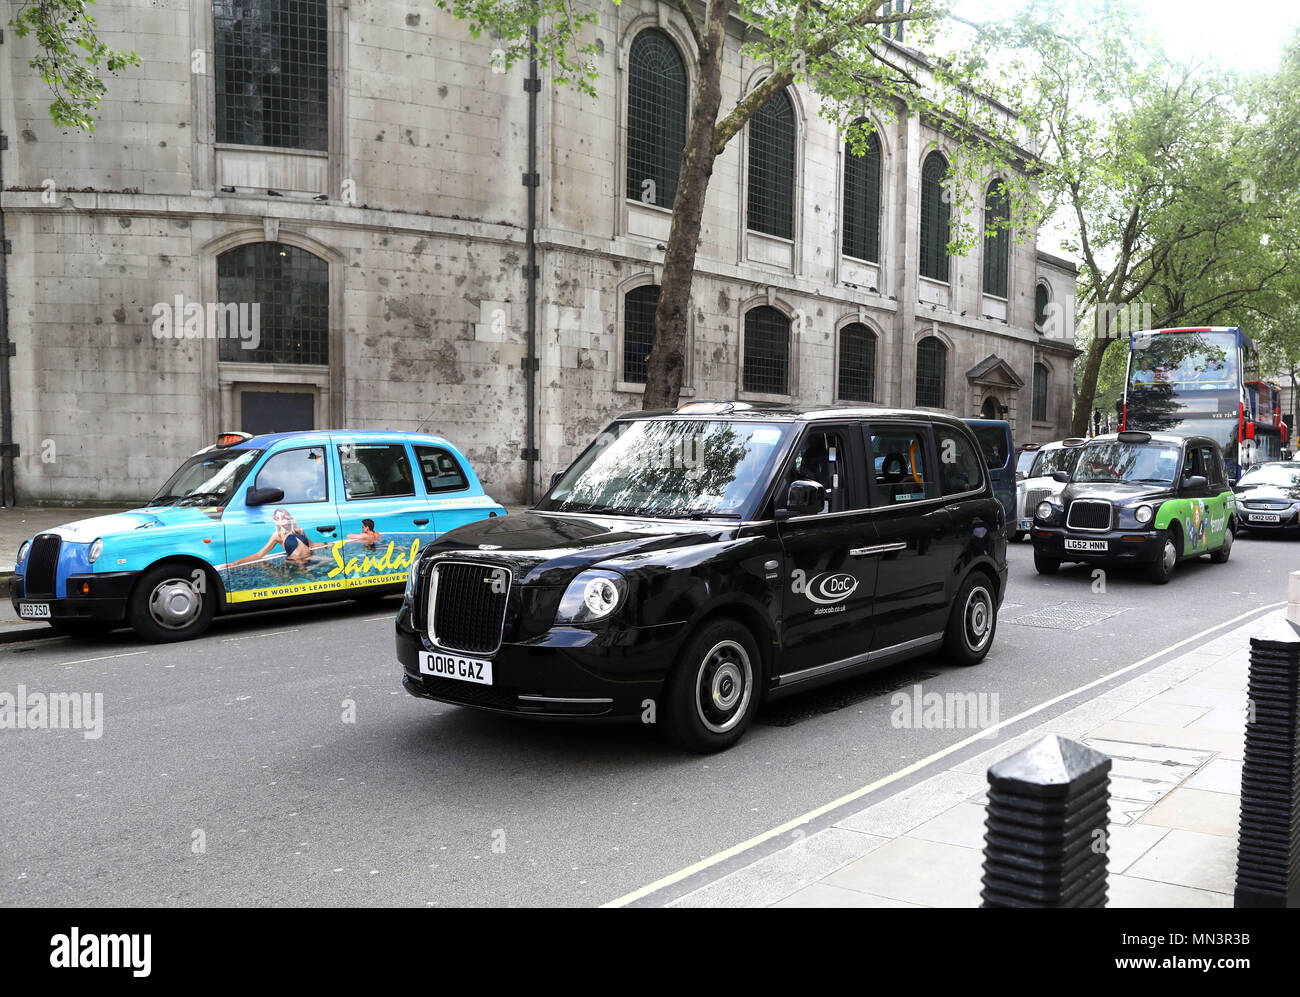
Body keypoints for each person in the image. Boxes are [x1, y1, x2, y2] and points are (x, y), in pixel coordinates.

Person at [227, 508, 319, 566]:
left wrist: (326, 542)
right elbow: (260, 554)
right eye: (277, 518)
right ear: (276, 521)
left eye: (283, 516)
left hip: (309, 560)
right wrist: (235, 563)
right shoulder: (278, 535)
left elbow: (312, 545)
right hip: (295, 564)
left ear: (288, 517)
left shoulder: (299, 530)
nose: (281, 519)